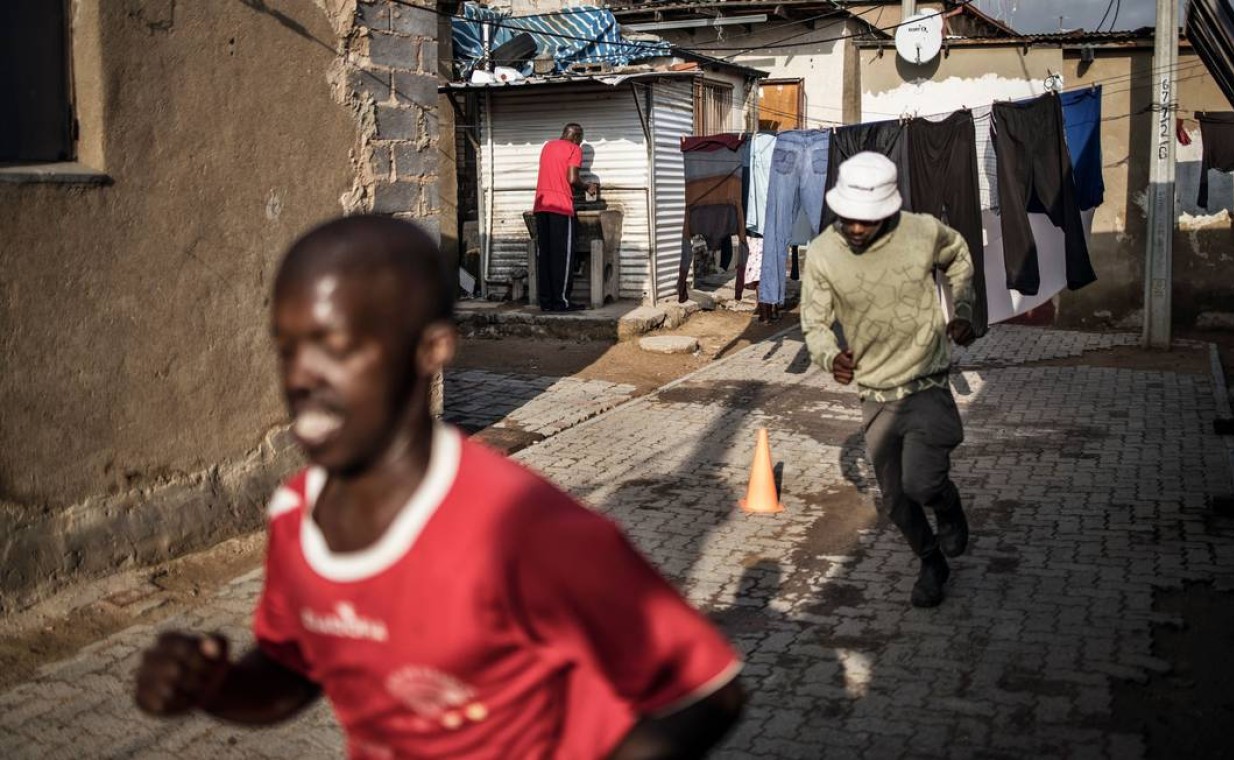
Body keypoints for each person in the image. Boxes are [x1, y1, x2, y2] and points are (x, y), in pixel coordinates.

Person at [134, 215, 745, 758]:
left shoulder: (523, 528)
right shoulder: (295, 515)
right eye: (287, 347)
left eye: (336, 347)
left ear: (432, 348)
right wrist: (215, 689)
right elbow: (290, 675)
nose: (299, 377)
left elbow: (708, 695)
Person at [799, 152, 977, 608]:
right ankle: (931, 561)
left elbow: (959, 256)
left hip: (926, 382)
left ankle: (948, 506)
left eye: (868, 221)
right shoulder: (821, 254)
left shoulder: (920, 232)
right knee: (896, 500)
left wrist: (966, 310)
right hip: (874, 393)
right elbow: (815, 324)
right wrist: (828, 356)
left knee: (922, 484)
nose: (857, 229)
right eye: (849, 219)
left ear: (889, 211)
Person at [534, 123, 598, 312]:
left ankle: (546, 302)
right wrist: (587, 186)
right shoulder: (574, 149)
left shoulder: (547, 146)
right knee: (563, 256)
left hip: (541, 205)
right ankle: (561, 302)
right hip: (560, 207)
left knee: (545, 256)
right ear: (577, 137)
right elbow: (572, 178)